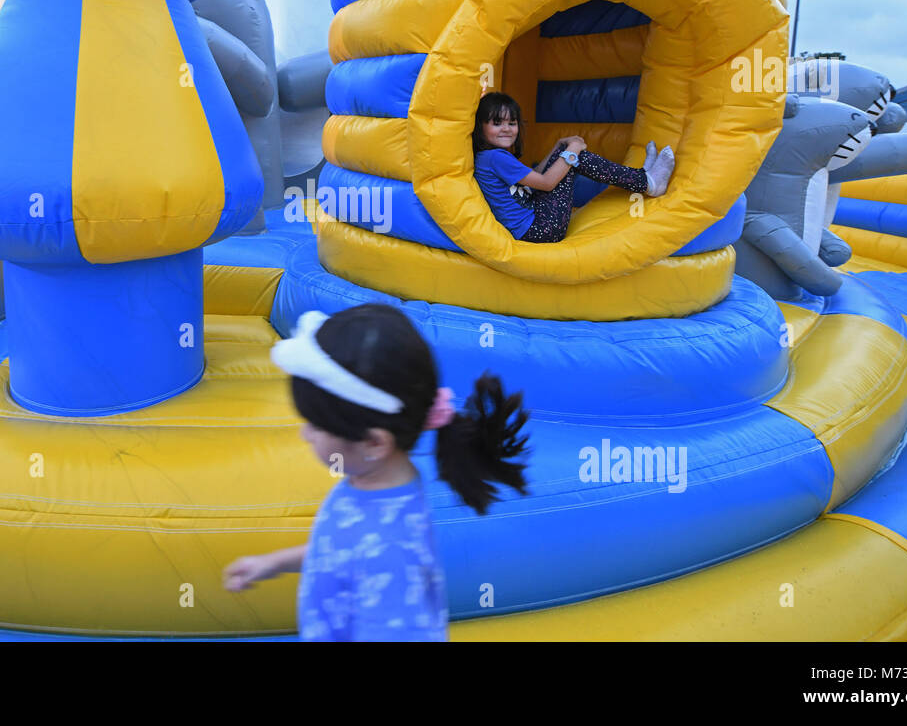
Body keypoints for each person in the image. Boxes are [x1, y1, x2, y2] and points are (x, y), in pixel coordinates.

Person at [222, 304, 530, 641]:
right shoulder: (369, 485)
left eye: (316, 425)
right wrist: (275, 563)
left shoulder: (392, 553)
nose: (304, 434)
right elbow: (341, 551)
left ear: (374, 443)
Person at [472, 91, 675, 243]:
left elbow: (534, 179)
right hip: (539, 231)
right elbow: (546, 183)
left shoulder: (490, 157)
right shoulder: (495, 158)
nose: (507, 129)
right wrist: (572, 151)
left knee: (569, 157)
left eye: (512, 123)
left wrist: (559, 146)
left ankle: (642, 177)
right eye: (497, 123)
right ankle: (646, 182)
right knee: (576, 159)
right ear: (481, 127)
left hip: (536, 225)